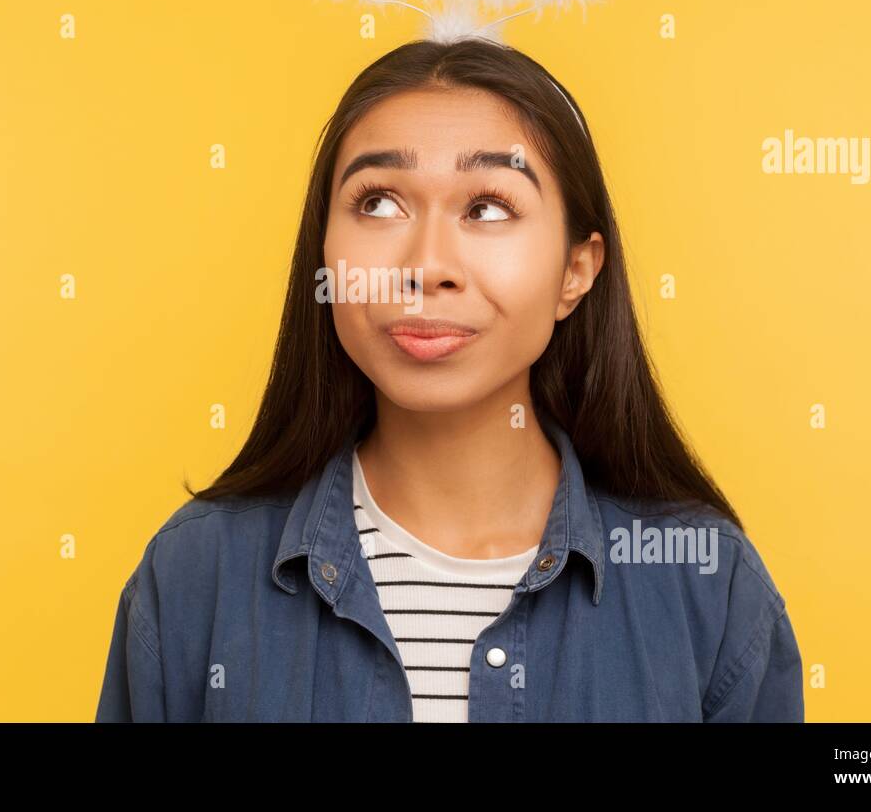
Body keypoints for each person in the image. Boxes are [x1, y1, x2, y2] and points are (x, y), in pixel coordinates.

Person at [95, 37, 804, 722]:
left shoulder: (708, 587)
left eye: (487, 207)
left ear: (576, 272)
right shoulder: (194, 578)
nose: (426, 264)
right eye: (378, 203)